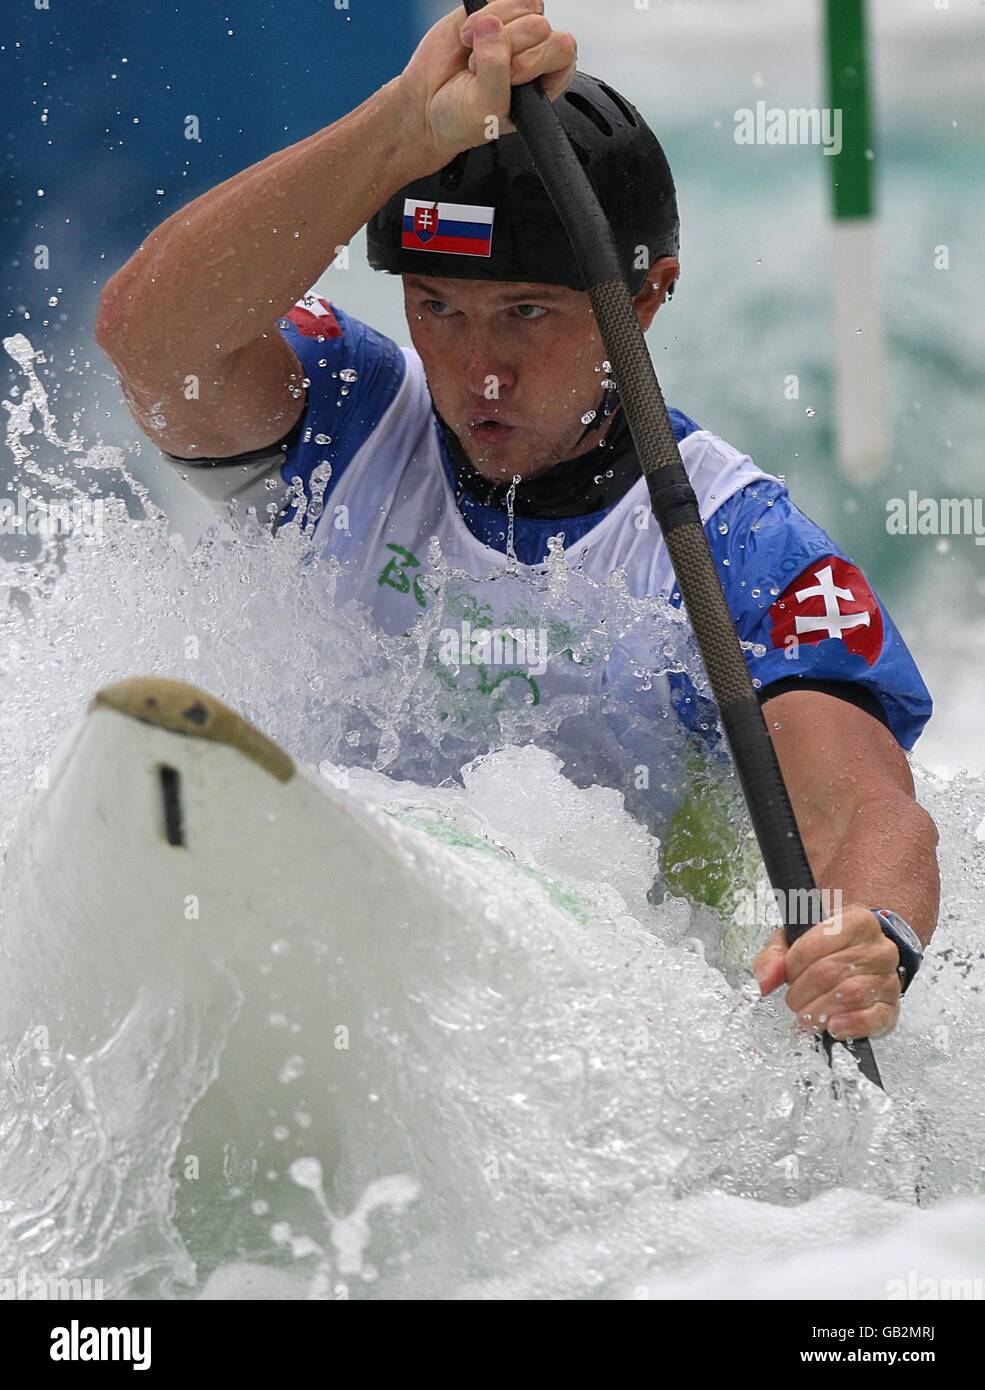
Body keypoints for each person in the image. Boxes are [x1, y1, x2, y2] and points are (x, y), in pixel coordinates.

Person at [95, 0, 939, 1045]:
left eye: (526, 314)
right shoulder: (348, 415)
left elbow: (858, 807)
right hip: (318, 968)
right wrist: (400, 128)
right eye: (438, 307)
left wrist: (869, 931)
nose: (478, 366)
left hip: (583, 1031)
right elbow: (146, 337)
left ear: (649, 295)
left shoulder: (740, 550)